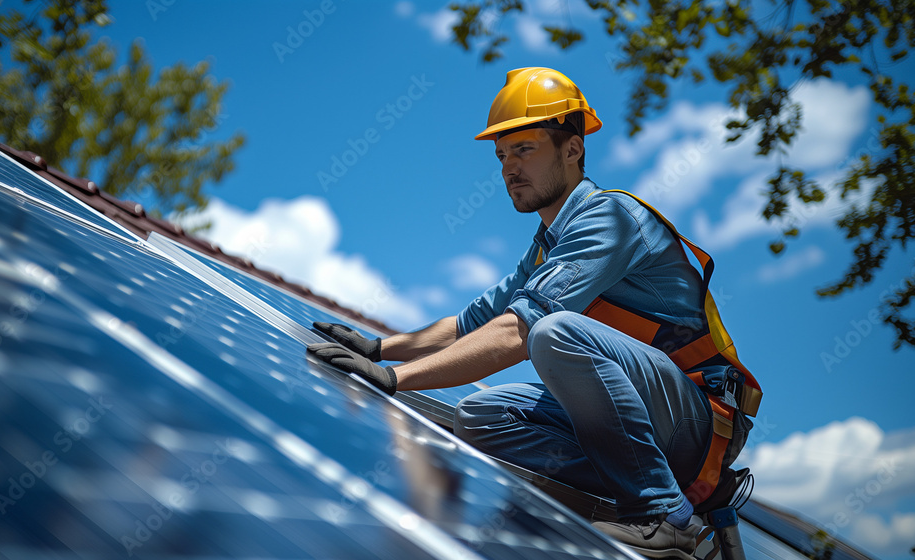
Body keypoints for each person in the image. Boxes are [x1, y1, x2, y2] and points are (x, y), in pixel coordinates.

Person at [308, 67, 756, 558]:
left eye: (524, 149)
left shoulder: (609, 218)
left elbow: (517, 332)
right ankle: (642, 500)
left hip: (697, 422)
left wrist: (395, 378)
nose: (507, 169)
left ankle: (663, 515)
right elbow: (475, 321)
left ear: (573, 149)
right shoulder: (549, 243)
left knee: (554, 332)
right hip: (646, 417)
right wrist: (378, 348)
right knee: (478, 416)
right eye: (501, 155)